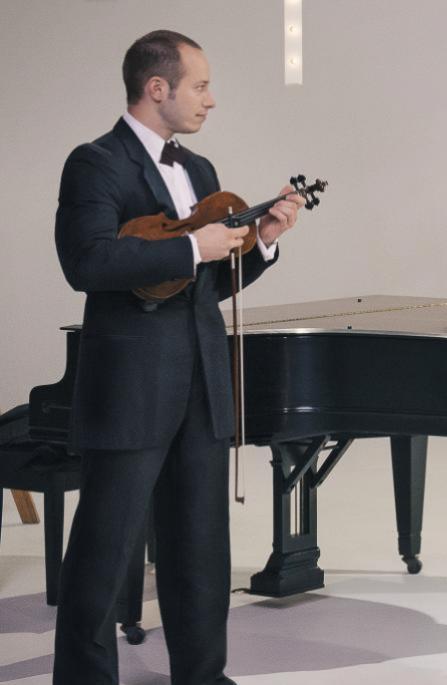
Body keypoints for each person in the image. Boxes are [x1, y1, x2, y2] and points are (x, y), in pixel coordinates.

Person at [52, 29, 304, 685]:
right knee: (104, 552)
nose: (210, 100)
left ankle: (201, 674)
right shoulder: (95, 163)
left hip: (201, 384)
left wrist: (262, 244)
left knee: (200, 548)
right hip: (131, 387)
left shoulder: (200, 172)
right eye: (200, 85)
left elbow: (206, 288)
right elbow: (87, 261)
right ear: (156, 88)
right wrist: (193, 248)